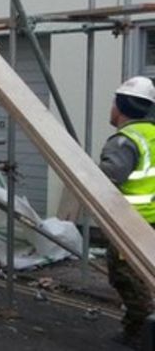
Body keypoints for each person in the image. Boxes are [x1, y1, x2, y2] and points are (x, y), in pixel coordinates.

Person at [98, 76, 155, 349]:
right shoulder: (152, 135)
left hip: (132, 222)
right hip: (152, 220)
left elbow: (108, 178)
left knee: (128, 278)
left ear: (119, 107)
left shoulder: (125, 141)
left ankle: (139, 334)